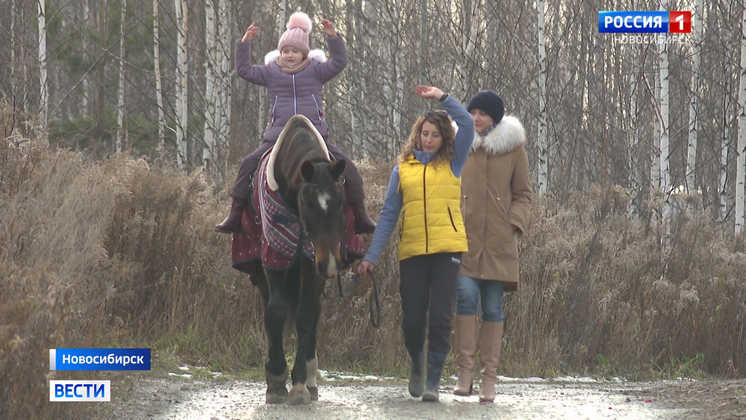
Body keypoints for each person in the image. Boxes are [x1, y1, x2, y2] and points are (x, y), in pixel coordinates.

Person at [358, 86, 475, 402]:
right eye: (424, 133)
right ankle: (418, 365)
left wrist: (442, 96)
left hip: (447, 249)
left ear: (444, 139)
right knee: (411, 320)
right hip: (411, 252)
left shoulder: (453, 162)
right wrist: (371, 256)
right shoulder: (402, 171)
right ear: (417, 135)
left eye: (435, 134)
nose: (429, 139)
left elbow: (467, 124)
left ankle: (434, 380)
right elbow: (388, 216)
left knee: (439, 317)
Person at [215, 12, 376, 235]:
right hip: (278, 136)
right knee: (248, 164)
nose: (290, 55)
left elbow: (340, 62)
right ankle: (235, 214)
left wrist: (333, 37)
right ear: (280, 52)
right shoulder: (271, 72)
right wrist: (244, 44)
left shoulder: (317, 71)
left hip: (314, 135)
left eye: (295, 51)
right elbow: (244, 71)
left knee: (346, 165)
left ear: (304, 53)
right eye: (286, 51)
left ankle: (360, 214)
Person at [452, 90, 532, 402]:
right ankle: (464, 372)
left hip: (499, 242)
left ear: (494, 118)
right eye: (472, 112)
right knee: (465, 298)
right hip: (465, 237)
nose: (475, 118)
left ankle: (489, 380)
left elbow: (523, 193)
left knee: (492, 307)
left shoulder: (513, 148)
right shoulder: (461, 145)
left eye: (482, 113)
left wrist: (513, 221)